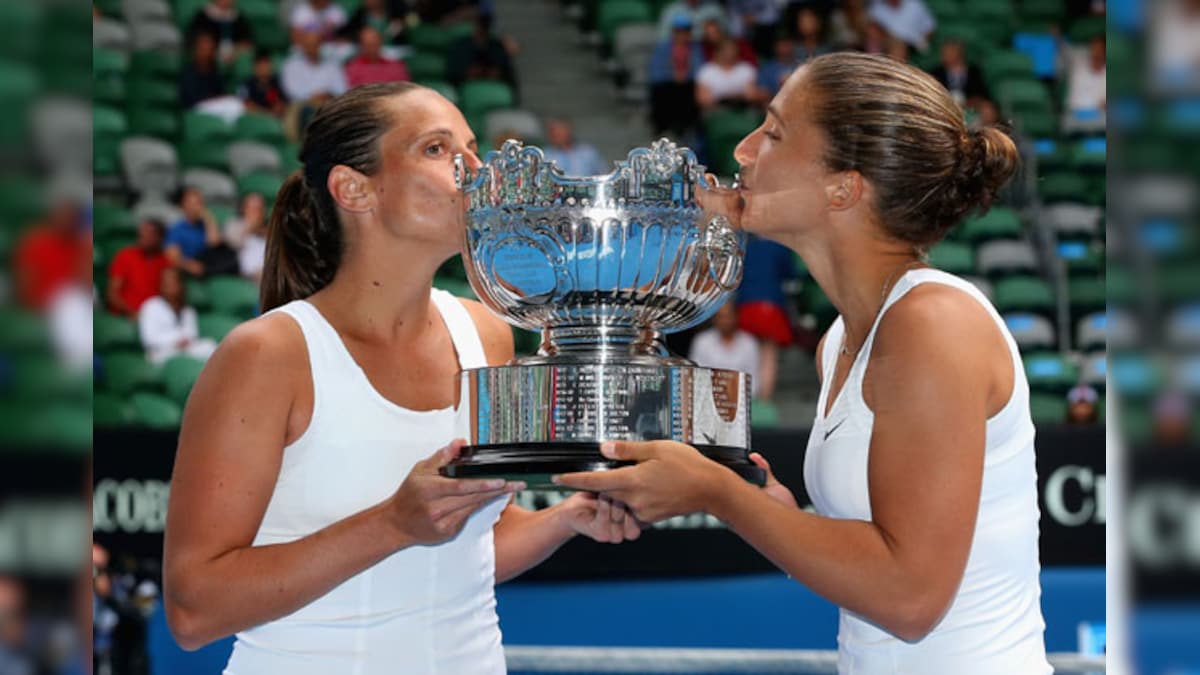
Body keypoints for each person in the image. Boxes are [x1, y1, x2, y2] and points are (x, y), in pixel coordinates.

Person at [556, 52, 1051, 674]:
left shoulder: (933, 325)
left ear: (842, 185)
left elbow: (911, 597)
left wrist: (719, 495)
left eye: (774, 131)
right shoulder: (840, 338)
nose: (742, 149)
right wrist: (764, 506)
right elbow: (871, 557)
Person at [162, 83, 639, 673]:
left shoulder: (486, 332)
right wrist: (391, 524)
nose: (474, 171)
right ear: (354, 189)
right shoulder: (266, 355)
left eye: (471, 149)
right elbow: (193, 609)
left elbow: (463, 551)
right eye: (437, 150)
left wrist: (566, 518)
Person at [735, 234, 798, 401]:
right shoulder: (780, 246)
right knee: (769, 354)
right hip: (771, 305)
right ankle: (764, 400)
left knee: (748, 351)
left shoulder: (746, 247)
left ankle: (744, 399)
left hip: (745, 305)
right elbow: (791, 275)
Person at [13, 197, 87, 311]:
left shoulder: (79, 245)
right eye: (61, 216)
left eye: (69, 216)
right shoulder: (35, 242)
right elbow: (24, 286)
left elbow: (83, 285)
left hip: (71, 305)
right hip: (42, 307)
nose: (65, 220)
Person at [138, 267, 218, 365]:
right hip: (161, 353)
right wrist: (175, 341)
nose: (169, 286)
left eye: (173, 282)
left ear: (181, 285)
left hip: (184, 350)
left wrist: (184, 341)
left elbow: (192, 334)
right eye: (166, 283)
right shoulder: (151, 306)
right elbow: (149, 339)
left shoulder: (188, 310)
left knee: (209, 345)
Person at [688, 300, 761, 398]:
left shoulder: (749, 343)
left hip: (742, 400)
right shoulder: (702, 341)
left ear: (736, 316)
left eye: (728, 316)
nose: (725, 321)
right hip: (708, 399)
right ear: (714, 318)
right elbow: (696, 377)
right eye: (721, 317)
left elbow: (754, 380)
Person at [648, 14, 705, 135]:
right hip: (667, 85)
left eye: (686, 31)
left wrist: (686, 76)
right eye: (679, 32)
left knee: (690, 90)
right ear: (674, 32)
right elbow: (655, 72)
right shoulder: (663, 48)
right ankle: (663, 126)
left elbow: (700, 70)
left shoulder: (695, 48)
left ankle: (686, 127)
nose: (682, 35)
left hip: (688, 85)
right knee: (662, 91)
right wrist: (673, 76)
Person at [166, 186, 239, 278]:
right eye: (194, 203)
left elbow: (214, 242)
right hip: (193, 266)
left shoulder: (206, 224)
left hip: (211, 262)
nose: (199, 207)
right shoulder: (177, 230)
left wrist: (208, 218)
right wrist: (188, 265)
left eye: (200, 203)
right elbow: (172, 257)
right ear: (184, 205)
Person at [107, 218, 171, 317]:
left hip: (154, 318)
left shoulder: (165, 262)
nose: (143, 236)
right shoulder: (125, 256)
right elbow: (112, 294)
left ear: (160, 238)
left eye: (149, 234)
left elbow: (169, 294)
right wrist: (131, 313)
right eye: (141, 233)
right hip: (125, 317)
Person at [281, 29, 349, 105]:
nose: (312, 47)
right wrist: (314, 97)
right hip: (303, 107)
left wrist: (326, 95)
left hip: (329, 105)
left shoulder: (332, 65)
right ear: (303, 46)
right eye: (309, 44)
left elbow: (342, 90)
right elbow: (292, 93)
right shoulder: (291, 66)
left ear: (320, 44)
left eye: (315, 44)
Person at [696, 38, 759, 112]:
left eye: (732, 49)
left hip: (743, 109)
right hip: (716, 111)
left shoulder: (746, 69)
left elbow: (752, 95)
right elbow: (703, 99)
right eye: (725, 50)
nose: (729, 53)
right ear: (718, 52)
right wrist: (724, 100)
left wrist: (732, 98)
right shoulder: (706, 71)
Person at [186, 0, 253, 66]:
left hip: (234, 54)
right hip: (211, 54)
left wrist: (234, 52)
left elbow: (247, 41)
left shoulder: (239, 17)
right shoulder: (203, 16)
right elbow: (195, 38)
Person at [929, 38, 990, 110]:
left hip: (970, 107)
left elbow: (981, 94)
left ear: (959, 52)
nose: (945, 55)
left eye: (950, 51)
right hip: (945, 107)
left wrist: (968, 102)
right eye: (944, 52)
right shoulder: (936, 72)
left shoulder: (974, 71)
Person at [345, 25, 411, 88]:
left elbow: (404, 89)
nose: (372, 49)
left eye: (374, 44)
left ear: (380, 42)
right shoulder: (352, 68)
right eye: (368, 45)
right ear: (361, 45)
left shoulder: (396, 66)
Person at [179, 30, 228, 108]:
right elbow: (192, 101)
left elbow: (221, 94)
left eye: (209, 48)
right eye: (203, 48)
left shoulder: (215, 71)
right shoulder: (188, 73)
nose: (206, 52)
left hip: (215, 110)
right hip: (194, 111)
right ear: (196, 49)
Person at [868, 0, 936, 51]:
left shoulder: (914, 4)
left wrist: (922, 42)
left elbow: (929, 28)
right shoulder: (876, 9)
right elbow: (873, 31)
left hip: (915, 45)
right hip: (888, 44)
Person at [237, 49, 288, 117]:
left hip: (275, 118)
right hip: (254, 117)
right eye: (260, 65)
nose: (263, 68)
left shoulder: (278, 82)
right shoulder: (246, 84)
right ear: (254, 67)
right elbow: (246, 105)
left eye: (266, 64)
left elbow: (280, 105)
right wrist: (265, 113)